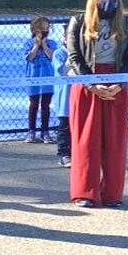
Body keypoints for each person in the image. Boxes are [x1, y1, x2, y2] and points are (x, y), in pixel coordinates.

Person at [65, 0, 128, 208]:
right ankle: (85, 193)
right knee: (86, 142)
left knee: (115, 143)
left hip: (116, 85)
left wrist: (119, 84)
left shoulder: (125, 23)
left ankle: (112, 194)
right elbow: (74, 57)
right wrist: (91, 84)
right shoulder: (79, 22)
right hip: (87, 84)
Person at [23, 15, 57, 143]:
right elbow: (29, 57)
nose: (43, 32)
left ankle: (45, 131)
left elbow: (52, 57)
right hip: (33, 76)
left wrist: (44, 45)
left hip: (47, 76)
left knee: (45, 105)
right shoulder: (28, 43)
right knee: (34, 104)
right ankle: (31, 131)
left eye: (46, 29)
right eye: (41, 29)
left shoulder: (52, 43)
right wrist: (36, 46)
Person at [50, 33, 72, 168]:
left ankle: (77, 153)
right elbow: (63, 71)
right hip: (64, 96)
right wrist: (72, 57)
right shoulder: (59, 53)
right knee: (64, 126)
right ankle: (64, 154)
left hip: (78, 95)